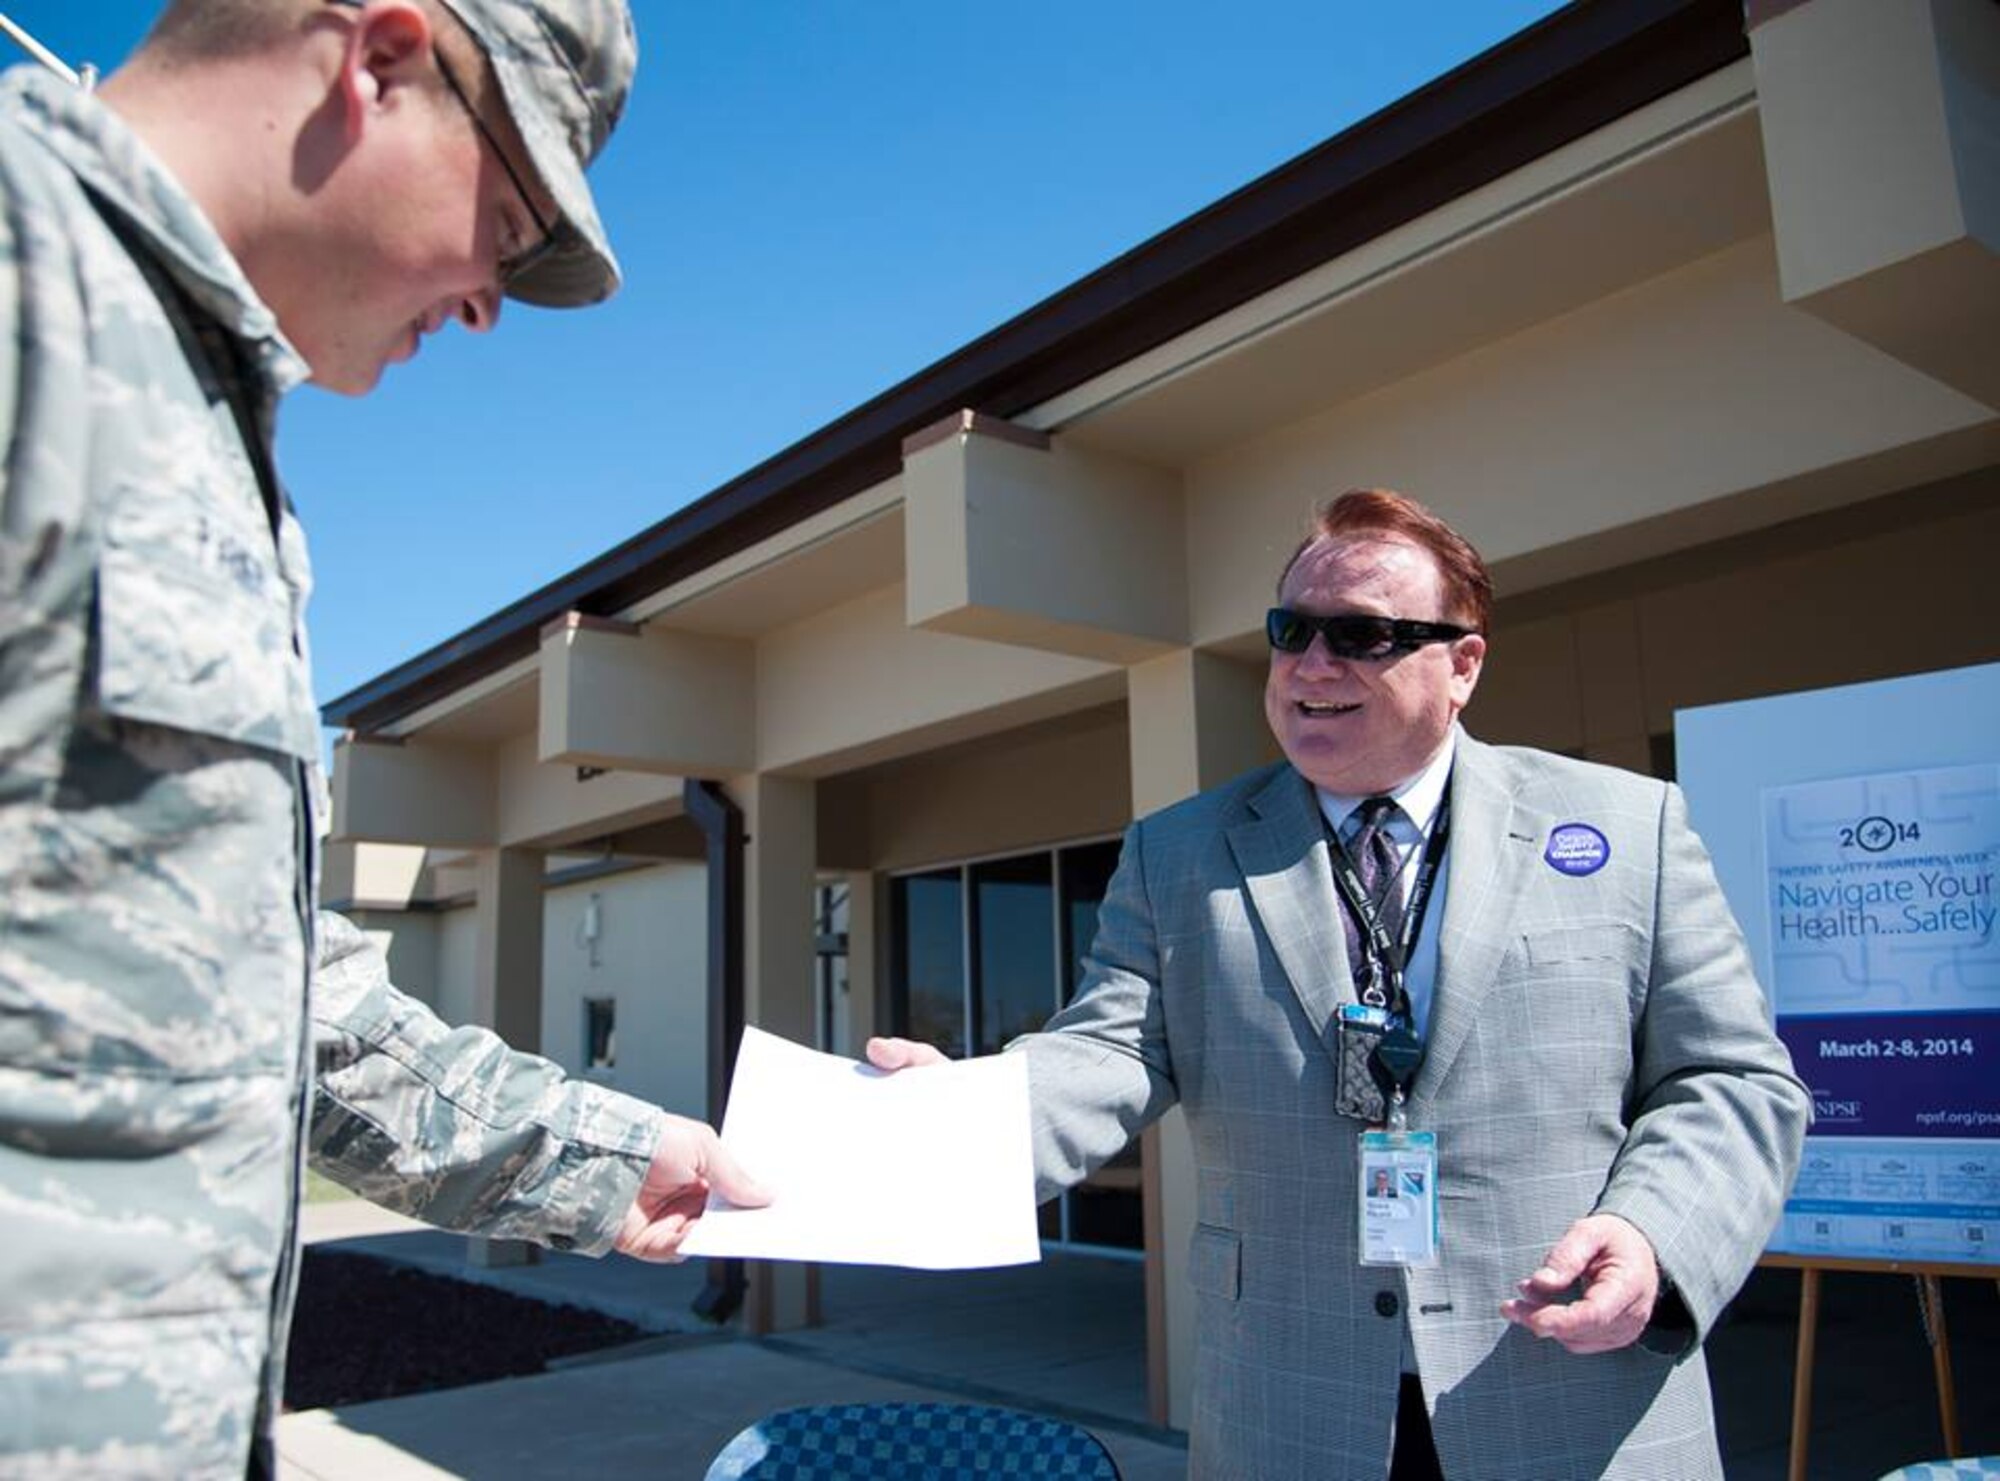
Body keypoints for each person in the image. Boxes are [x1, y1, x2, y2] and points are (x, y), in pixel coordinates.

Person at [0, 2, 765, 1474]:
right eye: (517, 215)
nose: (489, 300)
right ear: (383, 59)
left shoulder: (202, 432)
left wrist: (607, 1159)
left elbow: (271, 1000)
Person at [872, 489, 1810, 1479]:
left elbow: (1732, 1083)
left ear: (1462, 664)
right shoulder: (1178, 852)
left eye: (1361, 634)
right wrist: (964, 1116)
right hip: (1289, 1403)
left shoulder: (1627, 827)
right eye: (1292, 630)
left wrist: (1649, 1234)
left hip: (1564, 1393)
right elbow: (1106, 1049)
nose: (1312, 664)